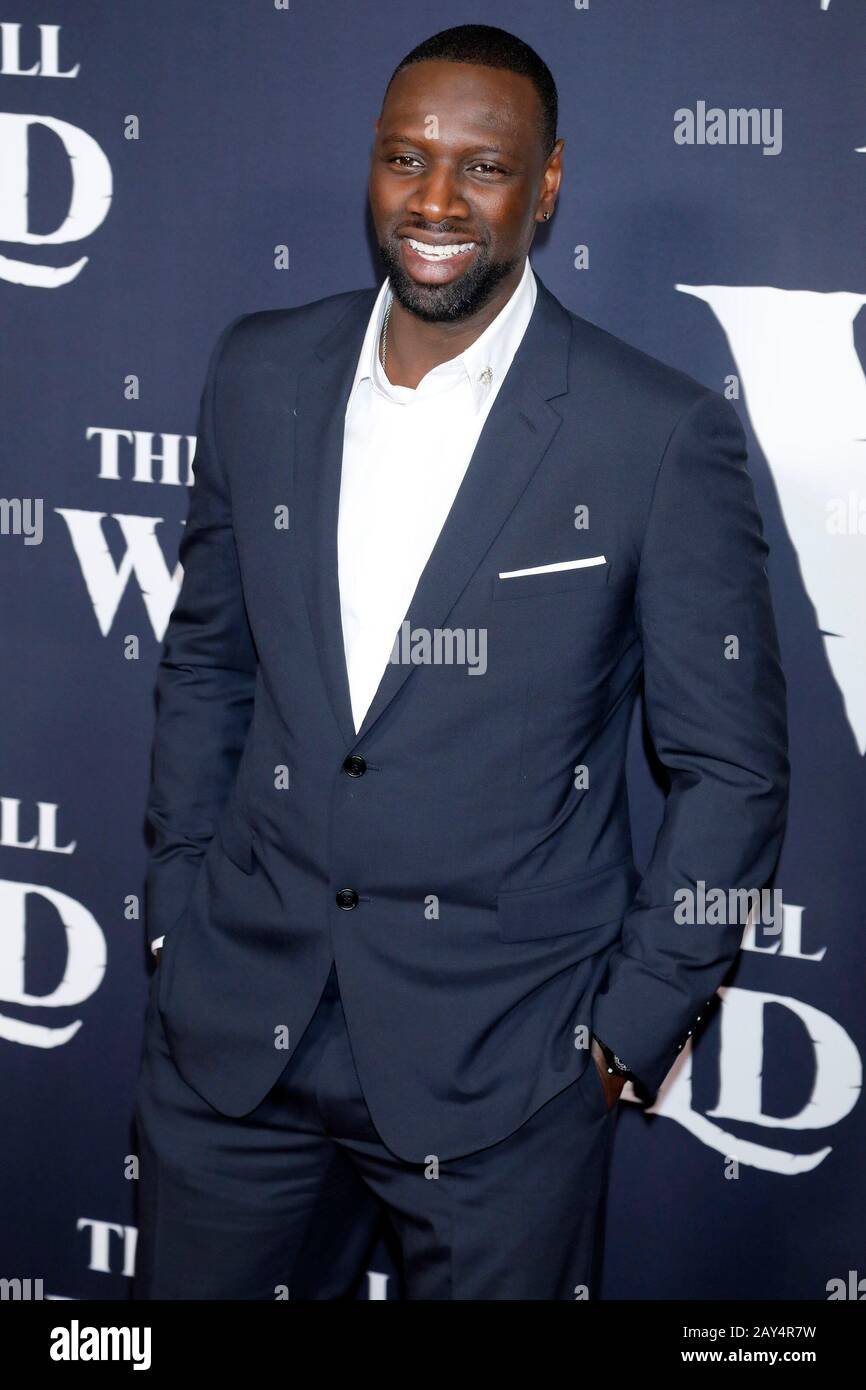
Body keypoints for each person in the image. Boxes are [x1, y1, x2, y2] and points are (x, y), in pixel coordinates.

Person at [133, 23, 789, 1300]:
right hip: (230, 1042)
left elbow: (731, 770)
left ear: (544, 187)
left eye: (481, 168)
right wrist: (175, 909)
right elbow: (209, 662)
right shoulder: (260, 369)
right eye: (402, 158)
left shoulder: (650, 434)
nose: (434, 201)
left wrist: (620, 1040)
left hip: (507, 1072)